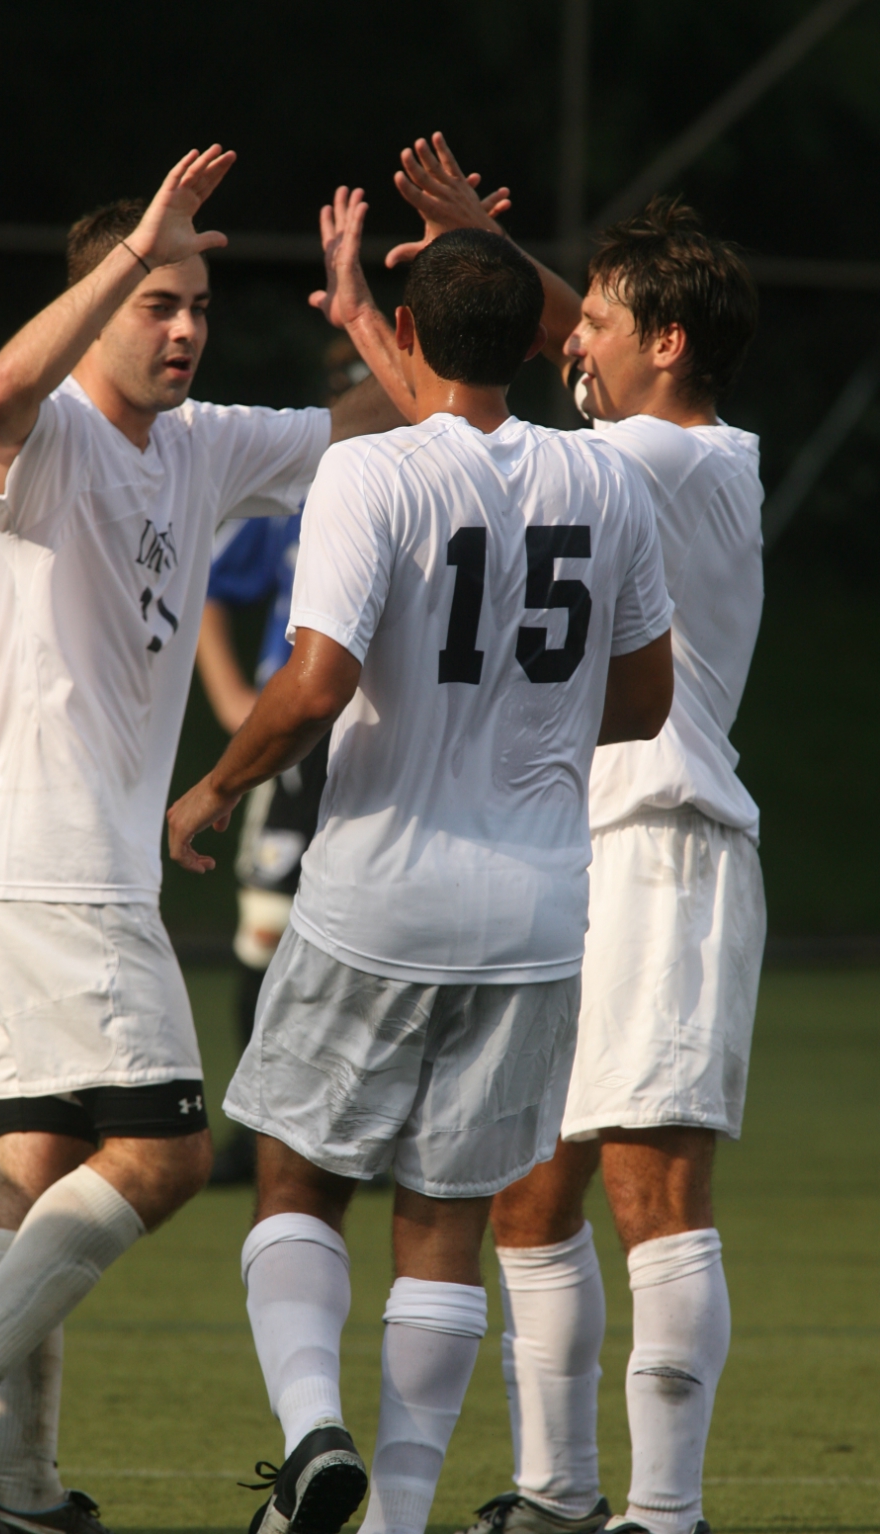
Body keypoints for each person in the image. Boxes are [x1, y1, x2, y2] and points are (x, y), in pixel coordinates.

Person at [0, 146, 402, 1534]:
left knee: (38, 1162)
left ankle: (22, 1487)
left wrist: (383, 320)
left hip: (32, 867)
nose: (182, 329)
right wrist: (129, 246)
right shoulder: (50, 436)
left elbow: (376, 425)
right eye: (156, 302)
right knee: (166, 1155)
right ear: (101, 303)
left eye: (196, 308)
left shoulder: (206, 441)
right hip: (46, 867)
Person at [166, 225, 675, 1534]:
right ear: (537, 341)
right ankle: (395, 1517)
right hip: (536, 912)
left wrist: (214, 786)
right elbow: (644, 698)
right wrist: (524, 724)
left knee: (297, 1181)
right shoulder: (609, 478)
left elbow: (316, 683)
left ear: (407, 332)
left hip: (378, 894)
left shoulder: (371, 470)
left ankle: (311, 1433)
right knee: (445, 1223)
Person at [342, 135, 766, 1534]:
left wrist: (457, 278)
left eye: (602, 318)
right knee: (530, 1188)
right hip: (578, 858)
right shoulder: (628, 449)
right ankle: (558, 1492)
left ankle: (666, 1513)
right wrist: (456, 276)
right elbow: (518, 404)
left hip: (668, 845)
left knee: (655, 1183)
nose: (572, 335)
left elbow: (486, 443)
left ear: (669, 343)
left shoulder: (682, 457)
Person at [195, 339, 370, 1185]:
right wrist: (236, 700)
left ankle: (363, 1135)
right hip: (296, 740)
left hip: (387, 734)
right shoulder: (301, 483)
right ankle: (256, 1132)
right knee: (265, 931)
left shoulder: (439, 478)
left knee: (377, 938)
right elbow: (210, 584)